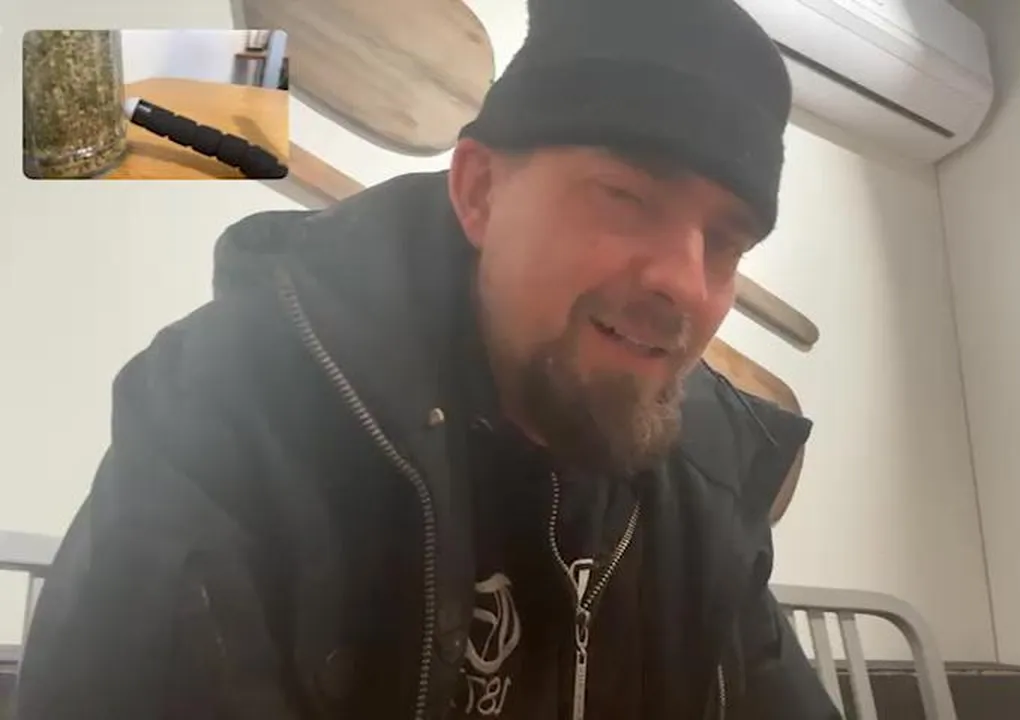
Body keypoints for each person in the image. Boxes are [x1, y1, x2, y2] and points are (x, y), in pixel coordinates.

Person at [15, 0, 838, 717]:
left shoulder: (707, 498)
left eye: (727, 242)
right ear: (479, 192)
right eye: (627, 197)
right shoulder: (231, 412)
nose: (685, 283)